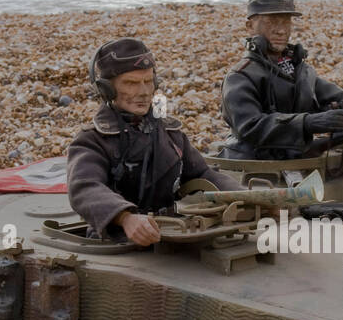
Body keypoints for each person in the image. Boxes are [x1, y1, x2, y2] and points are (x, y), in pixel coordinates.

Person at [67, 38, 237, 244]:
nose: (144, 92)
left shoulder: (169, 133)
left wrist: (250, 198)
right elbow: (84, 188)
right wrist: (124, 217)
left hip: (170, 233)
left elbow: (203, 174)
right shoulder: (92, 140)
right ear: (107, 89)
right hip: (116, 240)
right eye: (131, 83)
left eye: (148, 81)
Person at [219, 0, 343, 160]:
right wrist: (308, 123)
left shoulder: (299, 70)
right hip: (252, 162)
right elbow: (250, 126)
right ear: (250, 26)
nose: (281, 30)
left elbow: (339, 97)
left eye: (286, 22)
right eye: (271, 22)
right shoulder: (240, 76)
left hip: (295, 156)